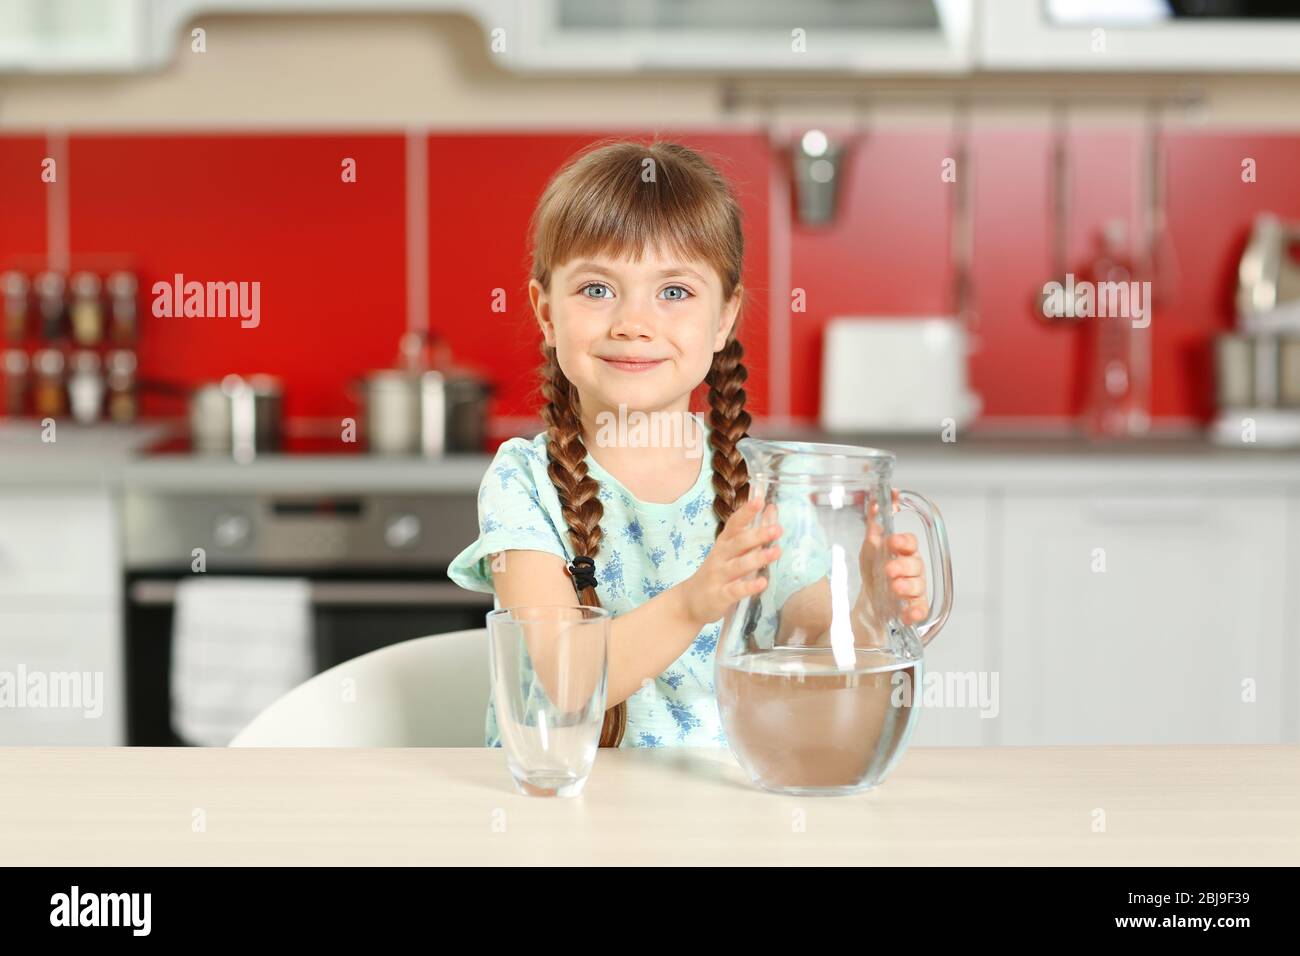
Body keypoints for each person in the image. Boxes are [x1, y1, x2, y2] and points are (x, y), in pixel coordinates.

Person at [448, 139, 928, 748]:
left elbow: (812, 645)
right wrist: (695, 600)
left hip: (722, 823)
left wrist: (871, 608)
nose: (633, 322)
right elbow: (565, 679)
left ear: (723, 318)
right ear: (546, 313)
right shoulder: (524, 482)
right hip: (564, 822)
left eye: (673, 292)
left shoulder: (762, 483)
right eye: (596, 289)